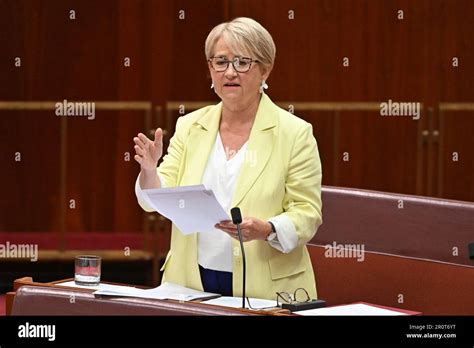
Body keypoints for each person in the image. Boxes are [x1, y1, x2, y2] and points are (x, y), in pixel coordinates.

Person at [133, 17, 322, 301]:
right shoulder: (190, 126)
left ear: (265, 70)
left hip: (264, 285)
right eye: (220, 62)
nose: (230, 72)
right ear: (210, 69)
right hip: (191, 280)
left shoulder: (295, 133)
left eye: (242, 62)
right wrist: (149, 170)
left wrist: (268, 229)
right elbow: (157, 199)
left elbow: (307, 213)